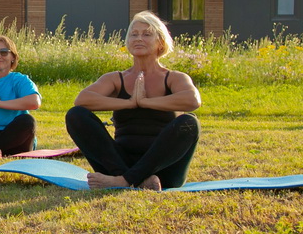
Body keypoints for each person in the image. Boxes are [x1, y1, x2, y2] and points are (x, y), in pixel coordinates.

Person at [65, 11, 201, 190]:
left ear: (160, 42)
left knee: (190, 122)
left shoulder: (174, 78)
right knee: (75, 115)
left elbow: (192, 100)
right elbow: (82, 100)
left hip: (163, 171)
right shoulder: (115, 78)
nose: (139, 38)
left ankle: (124, 181)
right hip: (119, 163)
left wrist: (145, 102)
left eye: (147, 34)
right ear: (128, 42)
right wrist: (130, 103)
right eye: (134, 34)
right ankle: (133, 179)